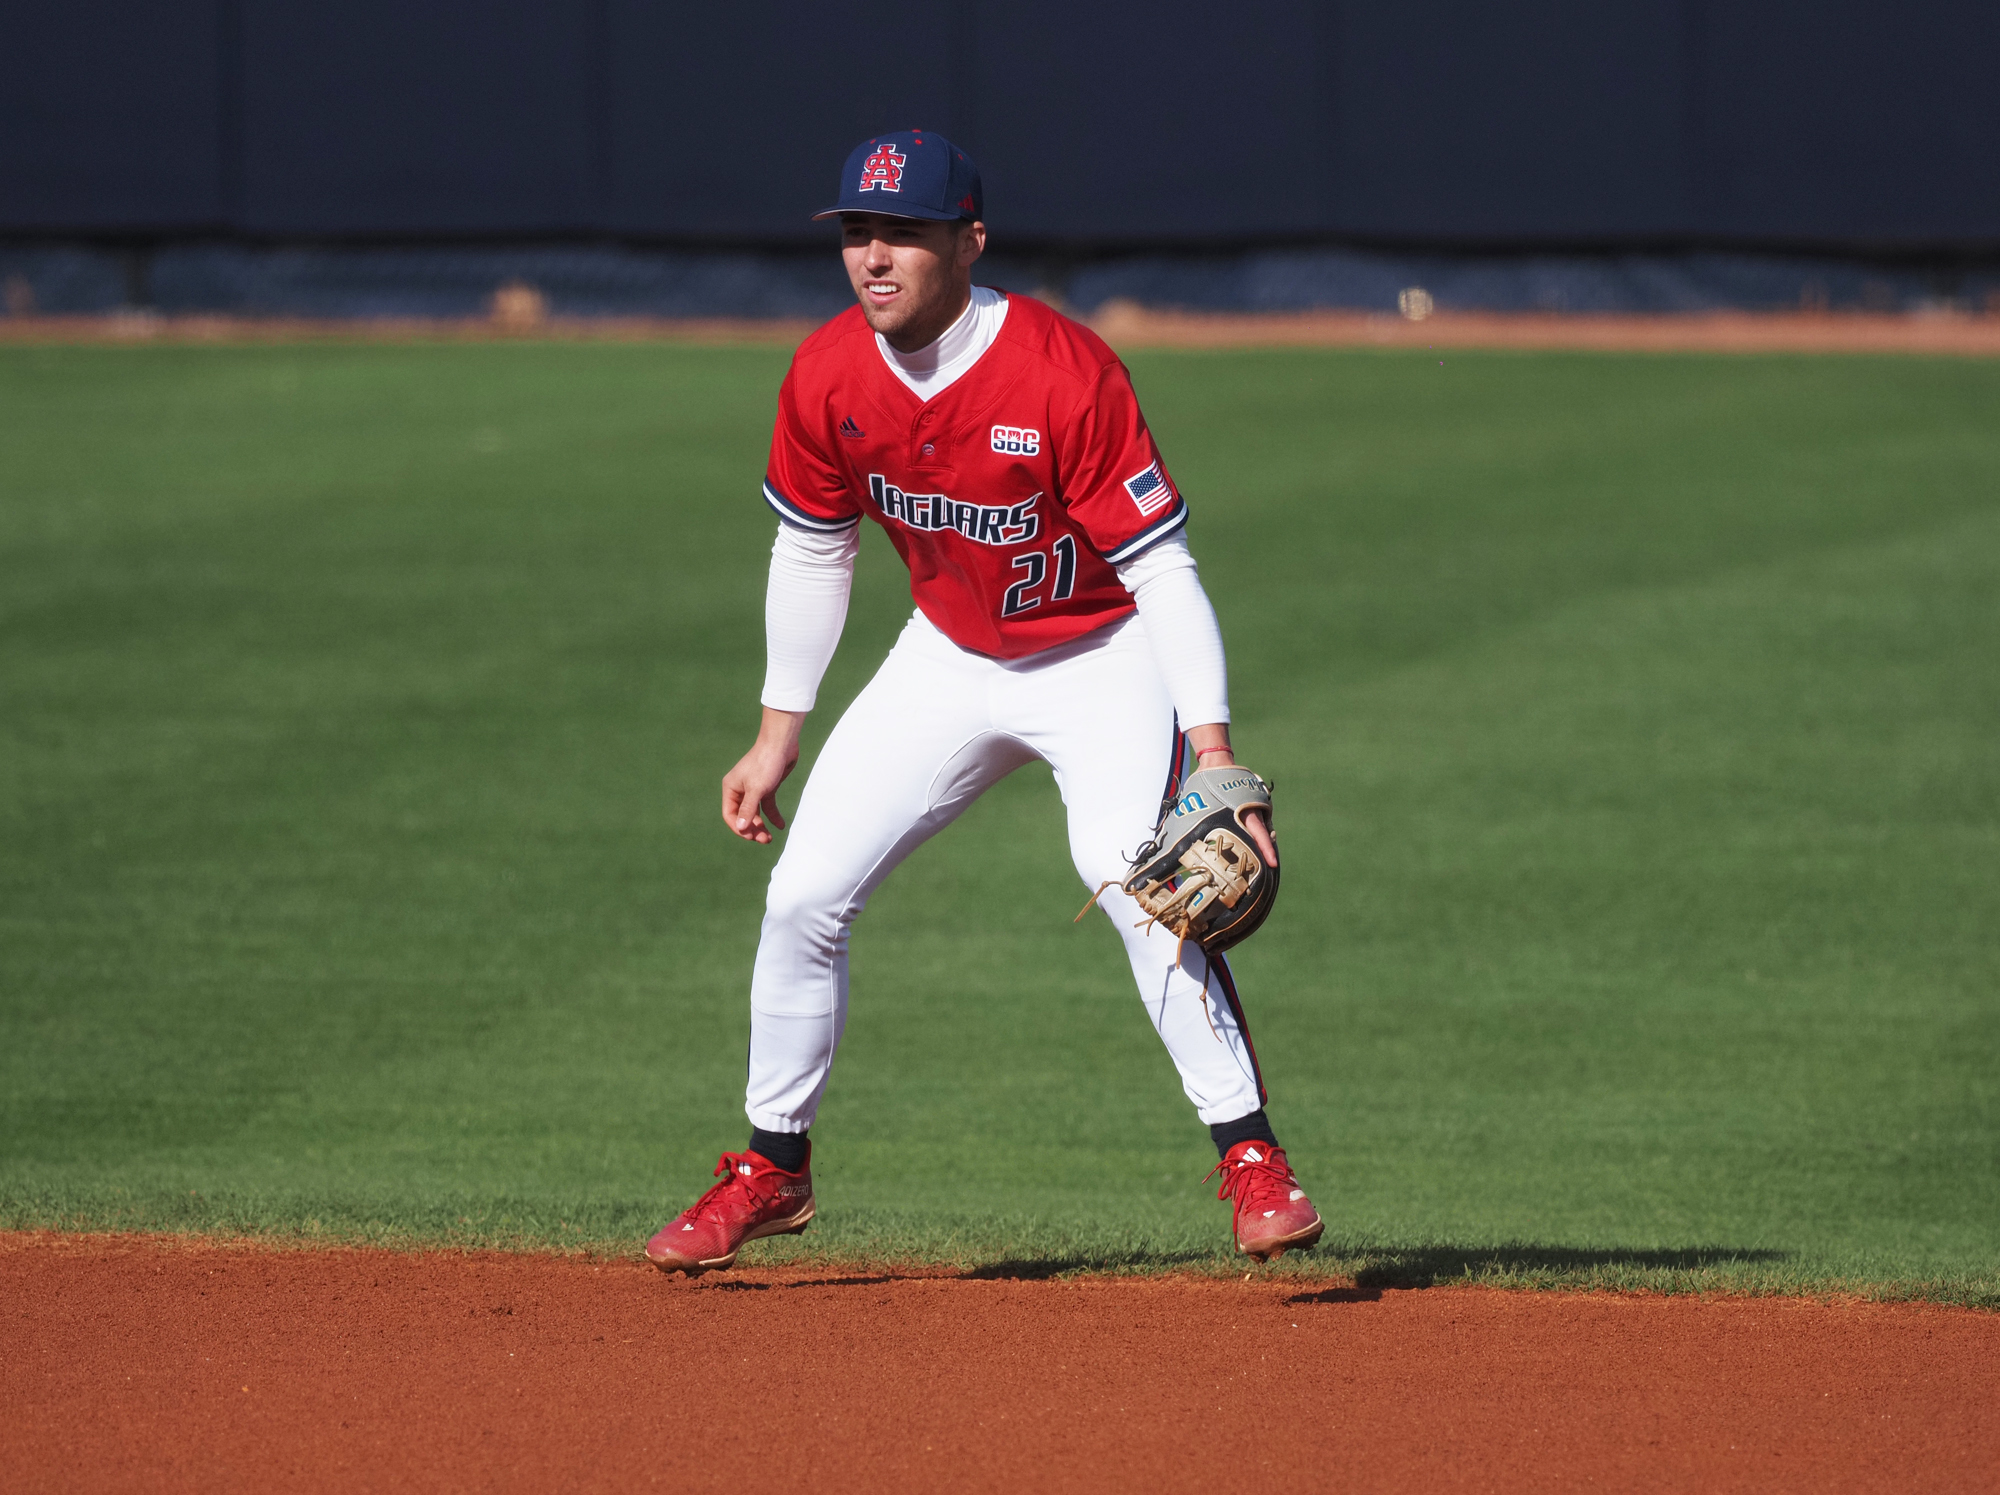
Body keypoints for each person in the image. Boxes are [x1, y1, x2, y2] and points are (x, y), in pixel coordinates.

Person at [645, 129, 1321, 1274]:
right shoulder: (825, 372)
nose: (873, 256)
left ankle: (1252, 1158)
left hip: (1098, 655)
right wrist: (776, 734)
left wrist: (1210, 753)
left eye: (902, 233)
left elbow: (1159, 569)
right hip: (948, 655)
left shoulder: (1063, 370)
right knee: (802, 894)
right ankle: (771, 1166)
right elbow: (813, 550)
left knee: (1141, 882)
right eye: (857, 231)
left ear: (967, 241)